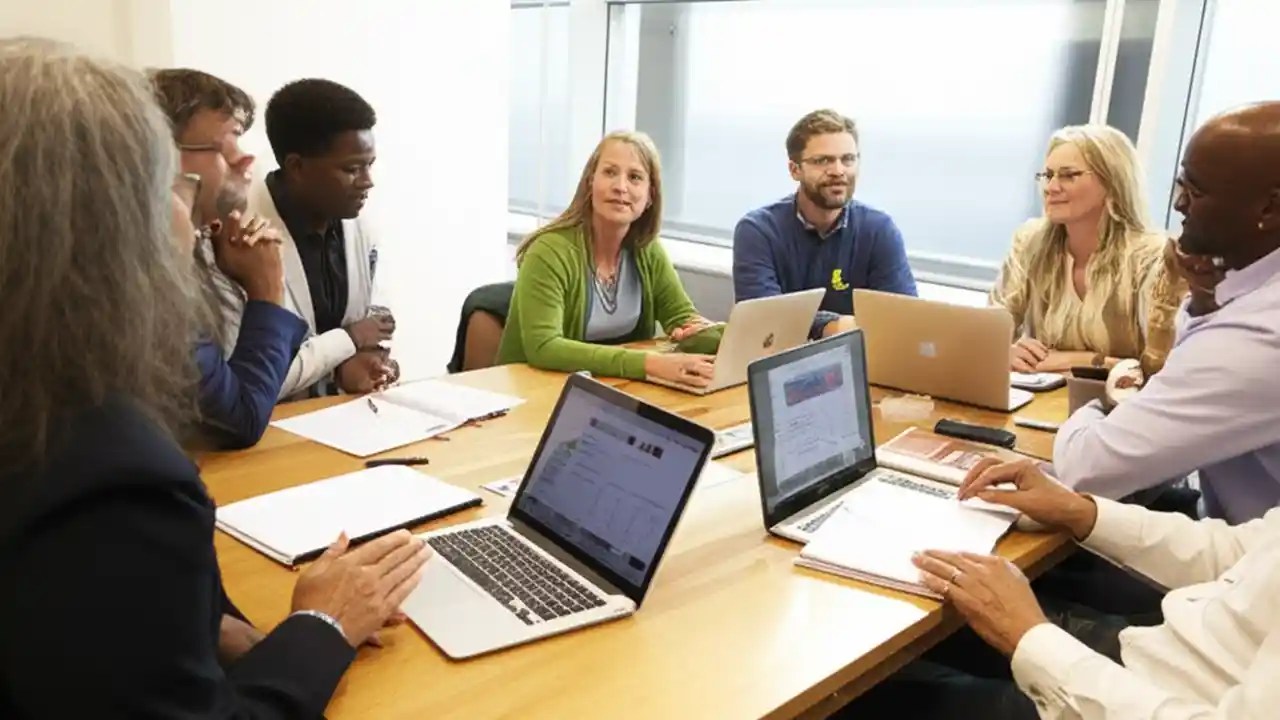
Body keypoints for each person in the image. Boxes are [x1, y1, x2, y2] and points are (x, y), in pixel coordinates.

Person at [0, 38, 429, 717]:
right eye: (174, 187)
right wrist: (321, 626)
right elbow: (236, 413)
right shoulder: (111, 479)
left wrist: (222, 627)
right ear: (114, 219)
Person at [844, 456, 1280, 719]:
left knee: (871, 696)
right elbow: (1240, 550)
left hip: (1159, 699)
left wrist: (1030, 637)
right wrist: (1080, 512)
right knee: (933, 624)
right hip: (1167, 653)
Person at [1054, 102, 1280, 524]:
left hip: (1249, 573)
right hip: (1235, 543)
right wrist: (1202, 302)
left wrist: (1099, 407)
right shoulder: (1244, 295)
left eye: (1194, 192)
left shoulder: (1261, 332)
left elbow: (1086, 471)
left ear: (1268, 210)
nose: (1178, 204)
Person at [149, 68, 308, 448]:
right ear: (161, 156)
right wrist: (266, 292)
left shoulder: (210, 246)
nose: (245, 157)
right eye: (227, 142)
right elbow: (239, 418)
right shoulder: (144, 270)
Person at [496, 131, 716, 385]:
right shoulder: (548, 252)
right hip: (530, 394)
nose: (620, 187)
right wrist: (650, 364)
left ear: (649, 196)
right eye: (610, 172)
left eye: (634, 177)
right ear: (591, 182)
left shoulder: (648, 251)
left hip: (610, 391)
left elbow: (684, 320)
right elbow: (545, 347)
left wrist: (721, 334)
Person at [992, 125, 1186, 375]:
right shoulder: (1029, 240)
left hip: (1120, 407)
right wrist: (1005, 351)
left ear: (1112, 181)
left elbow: (1161, 367)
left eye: (1068, 175)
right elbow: (992, 333)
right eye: (1048, 175)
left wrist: (1082, 360)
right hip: (1042, 401)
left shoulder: (1151, 257)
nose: (1051, 187)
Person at [249, 78, 396, 398]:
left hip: (335, 417)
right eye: (352, 169)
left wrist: (365, 359)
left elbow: (373, 324)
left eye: (369, 165)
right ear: (297, 167)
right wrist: (349, 339)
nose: (367, 182)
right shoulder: (245, 236)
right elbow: (257, 376)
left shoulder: (360, 225)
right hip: (265, 431)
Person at [733, 109, 917, 340]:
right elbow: (761, 317)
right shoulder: (758, 231)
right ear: (795, 170)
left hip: (862, 363)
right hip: (785, 364)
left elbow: (904, 316)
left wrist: (822, 324)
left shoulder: (879, 230)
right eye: (823, 161)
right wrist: (834, 325)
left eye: (848, 159)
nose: (838, 171)